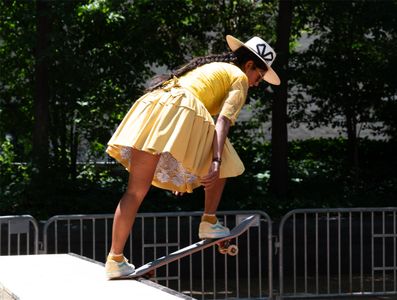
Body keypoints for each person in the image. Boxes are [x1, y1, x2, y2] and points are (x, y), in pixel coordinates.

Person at [104, 35, 280, 279]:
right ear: (250, 66)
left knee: (134, 192)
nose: (257, 84)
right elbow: (222, 122)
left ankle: (115, 259)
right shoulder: (238, 78)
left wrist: (183, 170)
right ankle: (208, 221)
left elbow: (189, 125)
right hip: (179, 109)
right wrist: (216, 162)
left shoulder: (211, 69)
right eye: (259, 77)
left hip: (156, 104)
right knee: (225, 158)